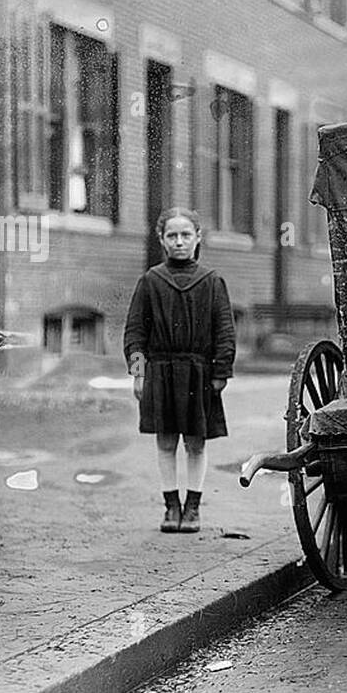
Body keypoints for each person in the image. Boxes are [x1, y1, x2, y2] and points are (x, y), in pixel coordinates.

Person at [123, 207, 236, 533]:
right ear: (161, 240)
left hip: (200, 373)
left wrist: (220, 373)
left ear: (198, 238)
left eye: (186, 235)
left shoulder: (212, 281)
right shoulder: (151, 281)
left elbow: (225, 332)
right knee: (166, 441)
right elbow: (135, 333)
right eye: (172, 235)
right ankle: (171, 506)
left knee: (196, 443)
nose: (179, 241)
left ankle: (193, 508)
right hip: (160, 371)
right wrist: (139, 373)